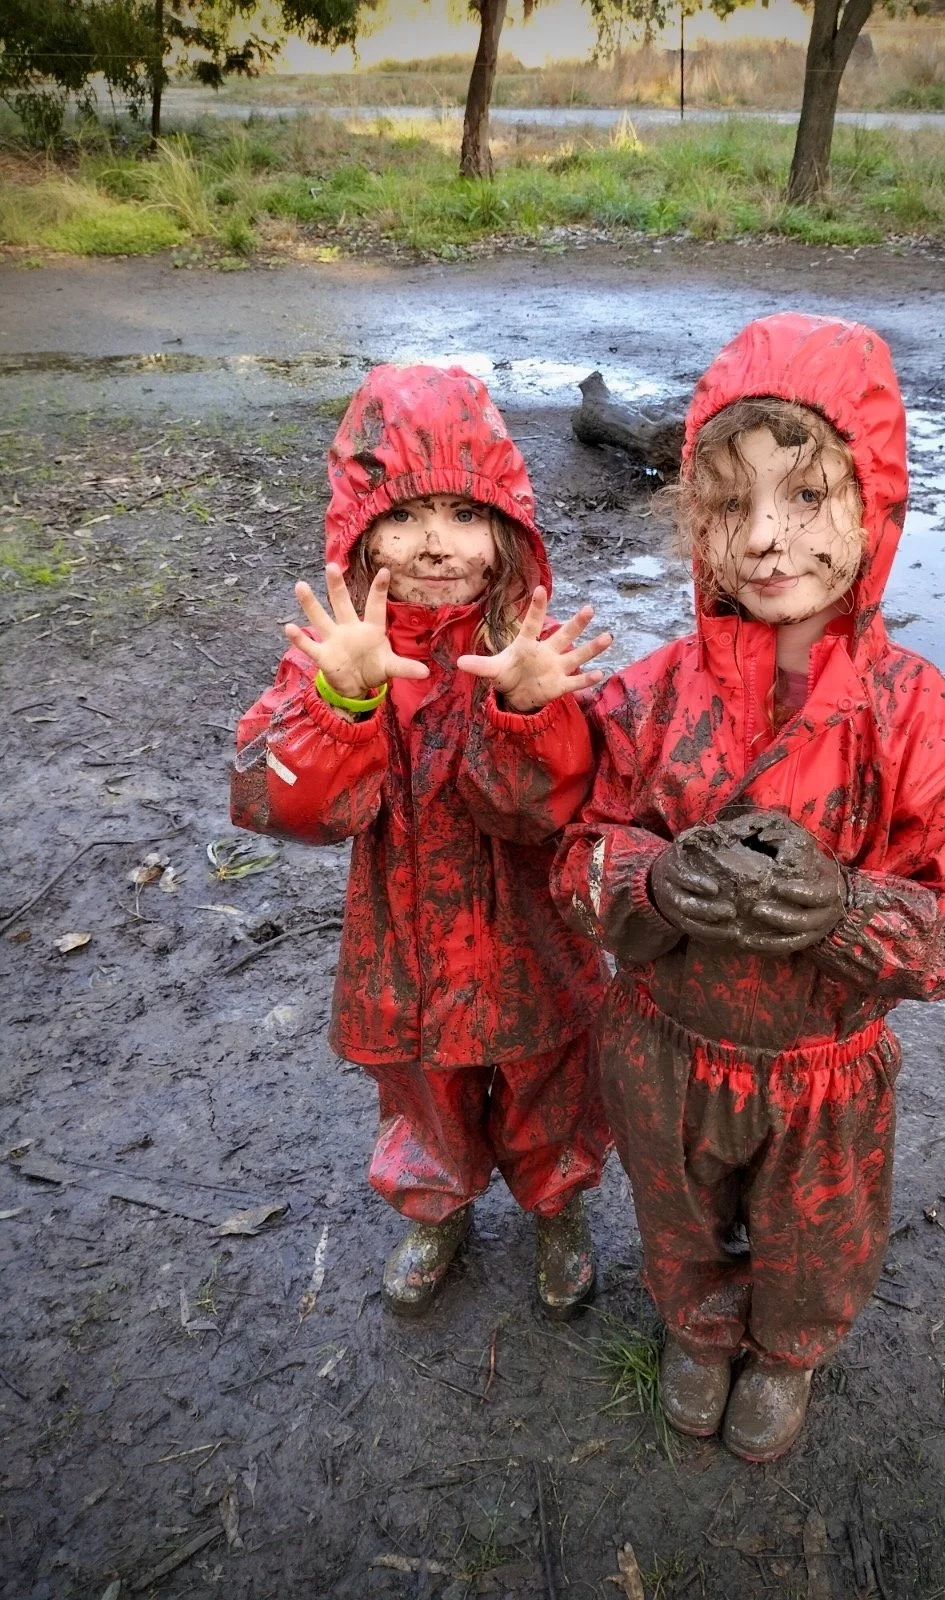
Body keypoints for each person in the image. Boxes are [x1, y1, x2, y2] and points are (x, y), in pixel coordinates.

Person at [552, 313, 945, 1461]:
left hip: (824, 1071)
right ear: (695, 525)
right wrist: (650, 880)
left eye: (806, 496)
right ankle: (704, 1329)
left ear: (876, 511)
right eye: (729, 504)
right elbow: (570, 851)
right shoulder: (649, 697)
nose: (767, 537)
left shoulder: (920, 723)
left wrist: (848, 913)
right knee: (675, 1210)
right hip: (663, 1041)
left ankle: (786, 1349)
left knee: (819, 1232)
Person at [231, 363, 613, 1320]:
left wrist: (530, 711)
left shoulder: (533, 643)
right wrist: (342, 700)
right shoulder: (335, 652)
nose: (435, 543)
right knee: (423, 1086)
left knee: (548, 1081)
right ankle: (439, 1205)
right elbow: (284, 804)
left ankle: (555, 1205)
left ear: (507, 530)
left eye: (463, 513)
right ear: (359, 534)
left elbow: (549, 807)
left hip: (532, 935)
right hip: (401, 940)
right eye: (402, 517)